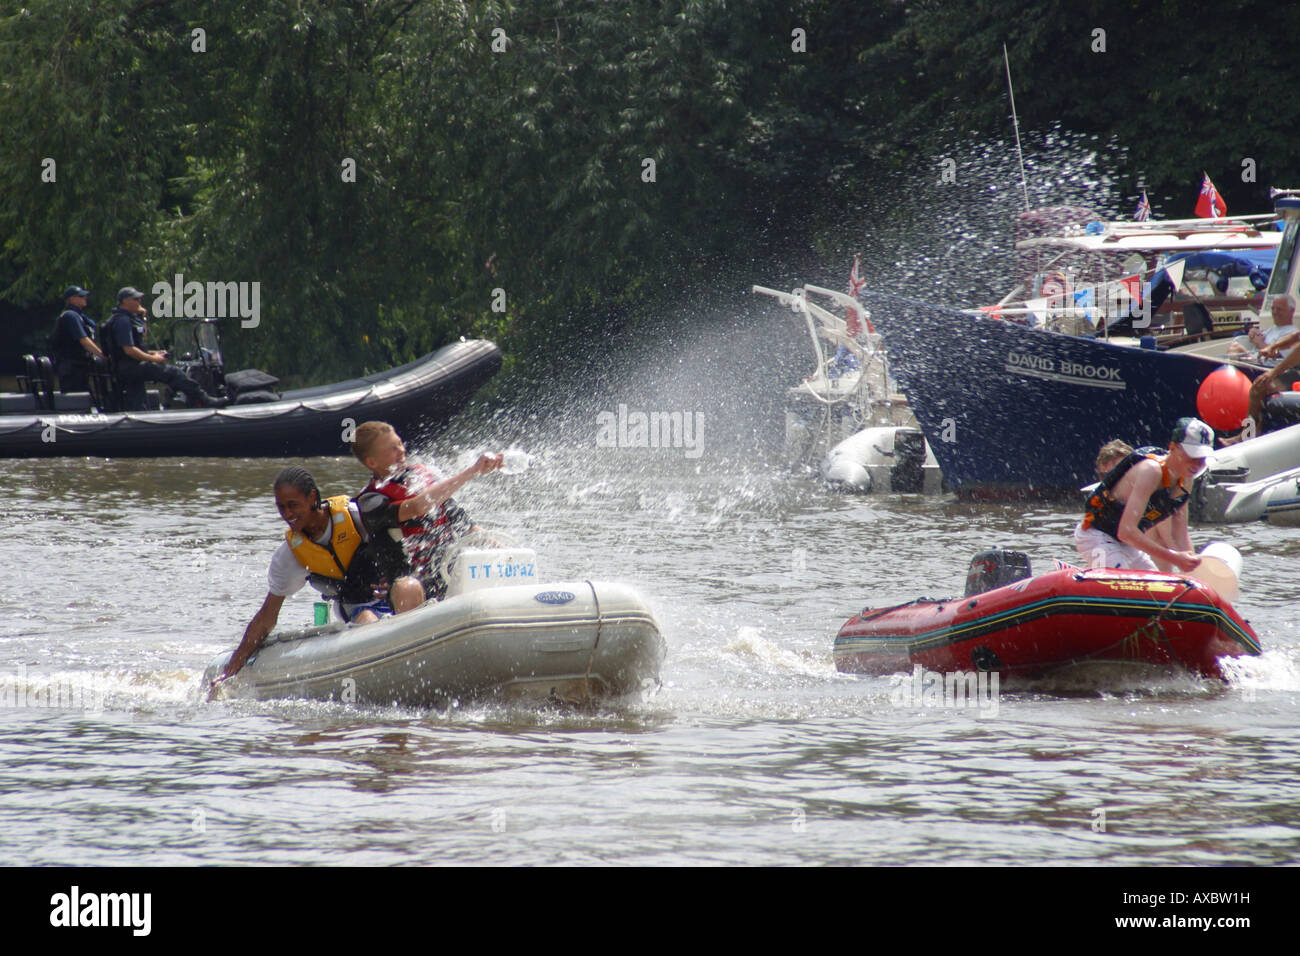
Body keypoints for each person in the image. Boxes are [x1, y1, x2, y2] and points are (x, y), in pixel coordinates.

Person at [210, 466, 424, 691]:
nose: (287, 514)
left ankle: (422, 664)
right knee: (369, 619)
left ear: (312, 497)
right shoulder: (290, 557)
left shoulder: (356, 515)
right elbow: (266, 618)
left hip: (393, 595)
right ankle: (394, 679)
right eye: (281, 507)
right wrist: (229, 671)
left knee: (408, 587)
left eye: (293, 505)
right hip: (356, 609)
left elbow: (415, 509)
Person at [352, 421, 504, 605]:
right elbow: (418, 507)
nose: (401, 451)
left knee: (478, 559)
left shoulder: (422, 482)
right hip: (409, 588)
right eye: (392, 448)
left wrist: (504, 552)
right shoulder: (370, 501)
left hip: (447, 575)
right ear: (372, 462)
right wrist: (473, 470)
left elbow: (468, 528)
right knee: (407, 587)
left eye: (400, 443)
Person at [1074, 418, 1212, 573]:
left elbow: (1179, 535)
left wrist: (1194, 570)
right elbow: (1126, 531)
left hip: (1126, 544)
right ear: (1173, 447)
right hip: (1096, 535)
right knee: (1123, 583)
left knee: (1156, 584)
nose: (1197, 464)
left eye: (1202, 458)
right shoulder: (1150, 471)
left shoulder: (1187, 479)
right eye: (1192, 456)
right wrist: (1175, 558)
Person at [102, 286, 226, 409]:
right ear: (124, 301)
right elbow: (129, 350)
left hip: (129, 366)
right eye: (135, 299)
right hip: (129, 368)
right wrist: (154, 359)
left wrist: (154, 353)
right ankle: (204, 399)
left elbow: (136, 346)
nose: (139, 302)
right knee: (173, 373)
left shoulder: (127, 319)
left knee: (137, 401)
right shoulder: (122, 321)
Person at [50, 285, 105, 392]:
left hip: (80, 366)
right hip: (71, 367)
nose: (85, 298)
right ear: (72, 299)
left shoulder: (80, 316)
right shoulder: (70, 316)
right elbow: (84, 340)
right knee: (76, 399)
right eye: (81, 296)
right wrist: (102, 355)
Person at [1227, 294, 1295, 364]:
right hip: (1254, 363)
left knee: (1236, 348)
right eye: (1273, 308)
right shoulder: (1272, 329)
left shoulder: (1293, 334)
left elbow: (1278, 355)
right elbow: (1258, 337)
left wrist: (1259, 343)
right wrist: (1254, 332)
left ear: (1291, 311)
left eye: (1279, 309)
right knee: (1234, 348)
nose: (1274, 312)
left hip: (1266, 368)